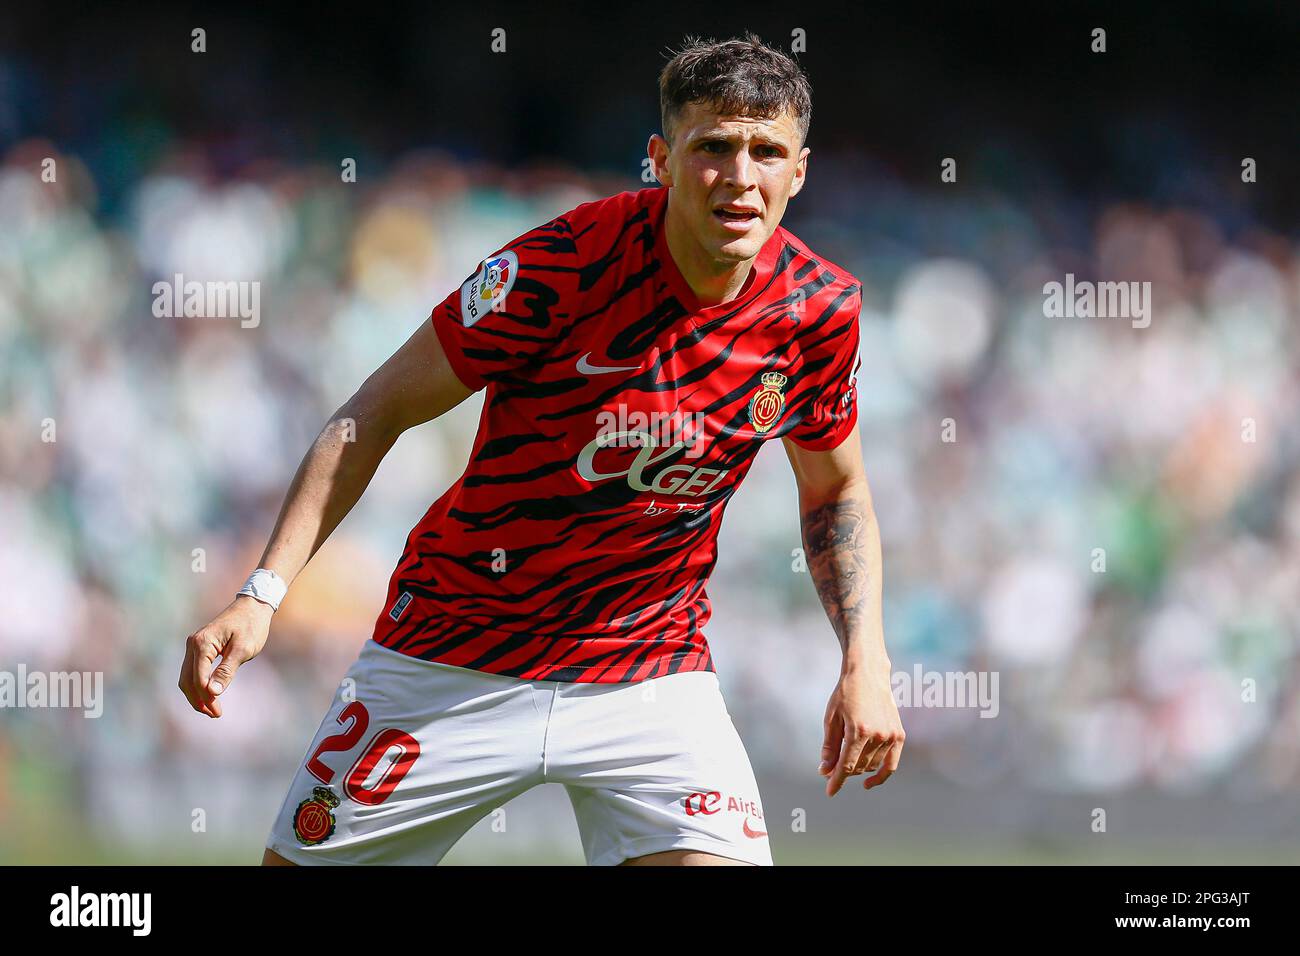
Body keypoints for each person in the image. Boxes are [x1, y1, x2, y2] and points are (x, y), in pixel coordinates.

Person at [178, 32, 903, 867]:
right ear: (661, 160)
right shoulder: (558, 268)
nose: (741, 176)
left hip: (651, 673)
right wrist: (262, 594)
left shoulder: (819, 312)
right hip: (456, 653)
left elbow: (836, 491)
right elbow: (369, 415)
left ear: (799, 172)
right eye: (714, 147)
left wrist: (866, 661)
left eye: (766, 152)